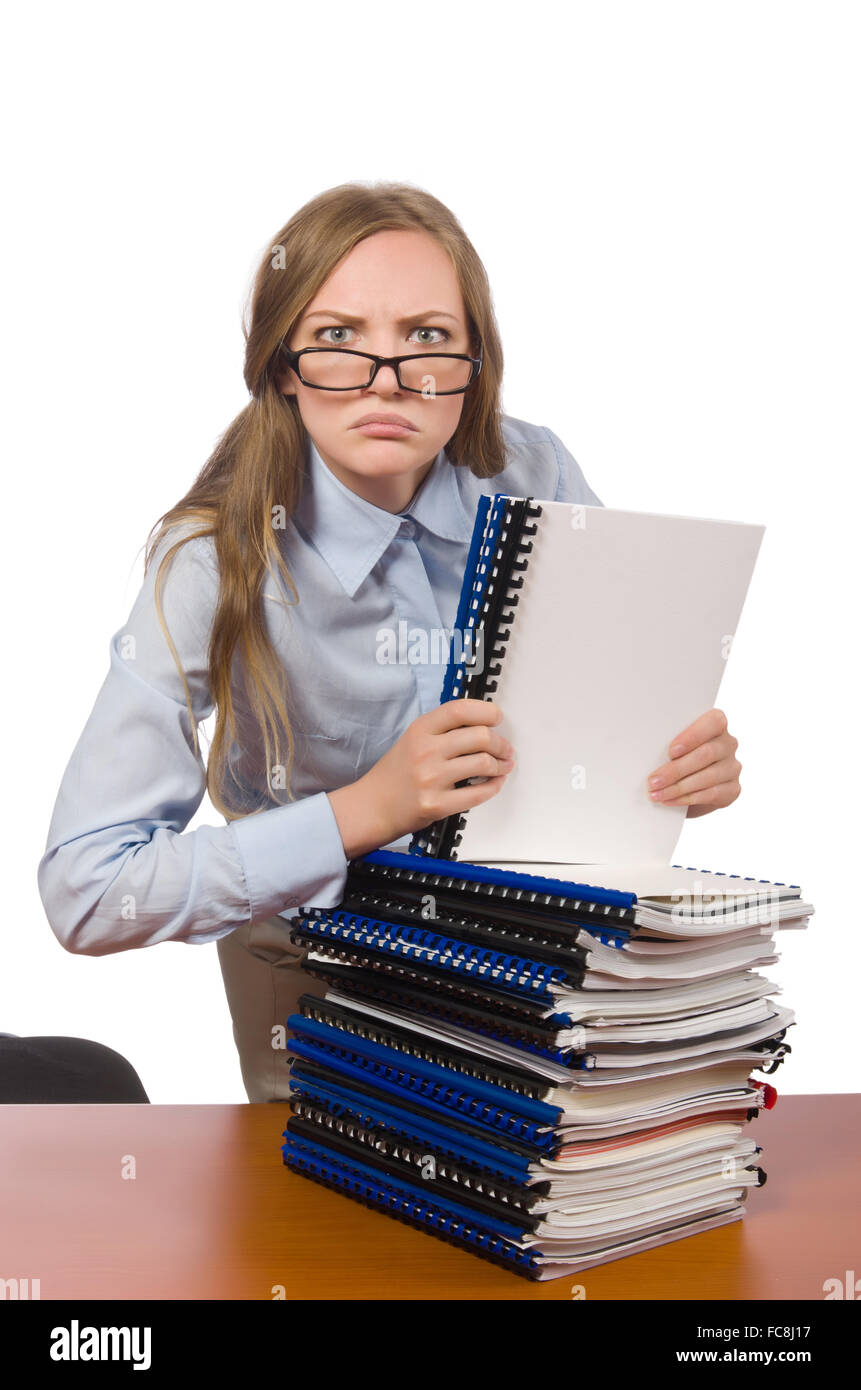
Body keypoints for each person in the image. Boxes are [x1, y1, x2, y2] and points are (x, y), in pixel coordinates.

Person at [37, 181, 743, 1104]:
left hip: (528, 945)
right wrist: (363, 811)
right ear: (282, 365)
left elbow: (602, 720)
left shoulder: (535, 473)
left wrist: (676, 761)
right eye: (336, 339)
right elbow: (88, 890)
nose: (384, 378)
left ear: (472, 364)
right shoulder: (213, 562)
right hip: (318, 974)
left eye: (424, 338)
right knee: (346, 1232)